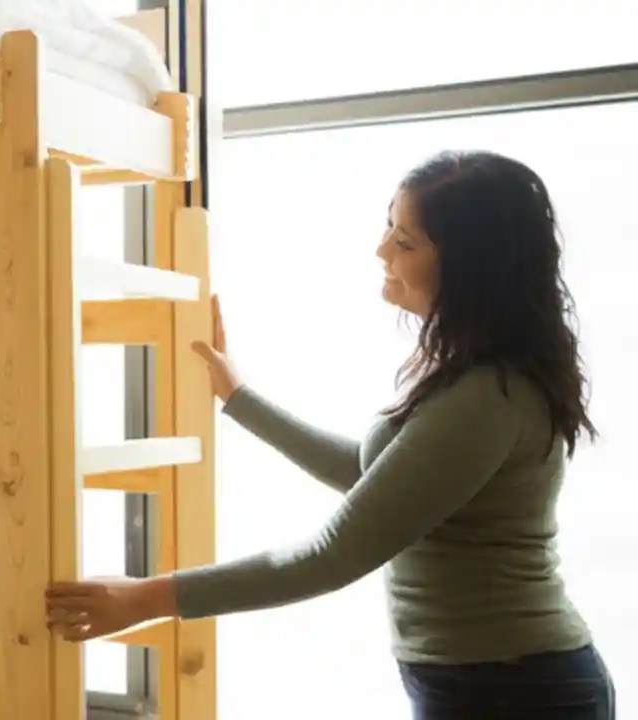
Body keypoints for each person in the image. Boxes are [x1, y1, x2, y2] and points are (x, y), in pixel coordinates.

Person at [45, 151, 616, 718]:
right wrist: (240, 399)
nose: (382, 251)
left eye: (406, 242)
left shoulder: (489, 396)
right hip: (485, 680)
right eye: (388, 228)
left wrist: (142, 598)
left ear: (471, 267)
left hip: (517, 691)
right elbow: (379, 481)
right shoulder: (473, 375)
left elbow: (329, 556)